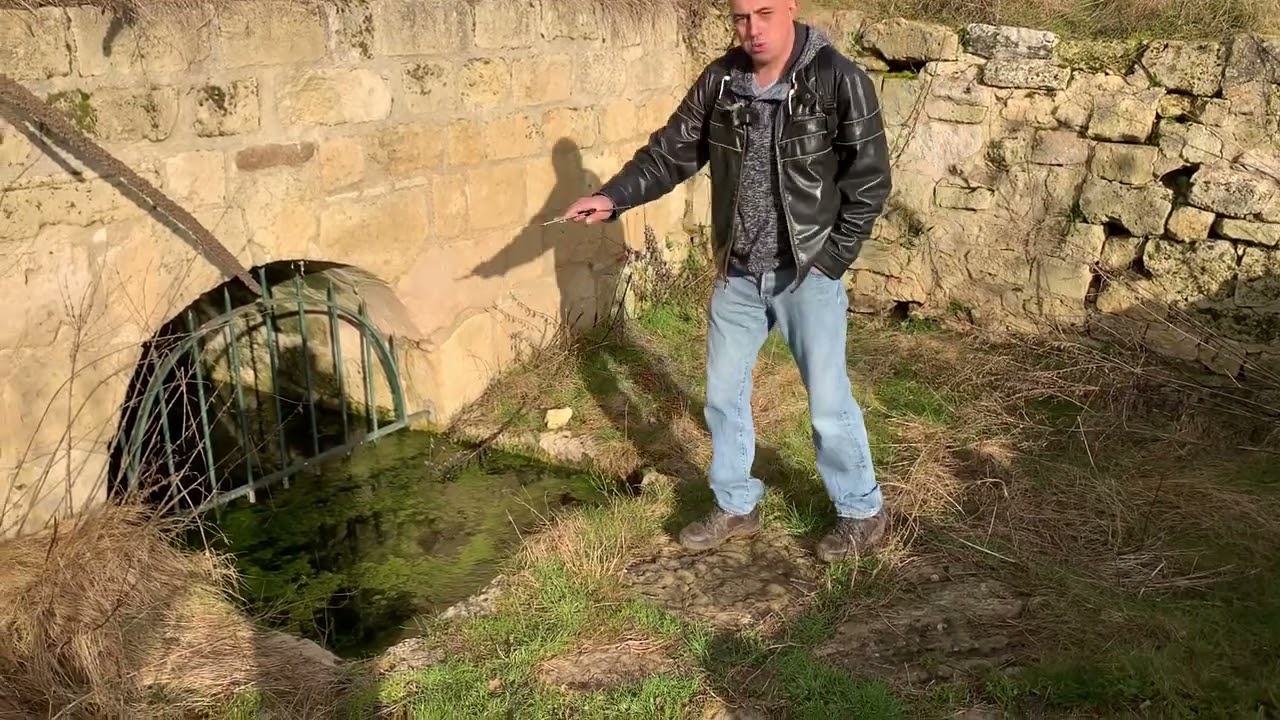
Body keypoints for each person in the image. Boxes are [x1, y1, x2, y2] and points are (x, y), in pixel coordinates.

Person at [559, 0, 893, 563]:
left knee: (829, 403)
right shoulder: (722, 80)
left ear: (791, 6)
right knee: (722, 397)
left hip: (805, 271)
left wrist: (832, 259)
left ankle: (862, 510)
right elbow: (670, 153)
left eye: (764, 13)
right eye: (741, 18)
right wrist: (612, 196)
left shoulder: (837, 78)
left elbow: (870, 178)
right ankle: (737, 503)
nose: (752, 29)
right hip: (738, 272)